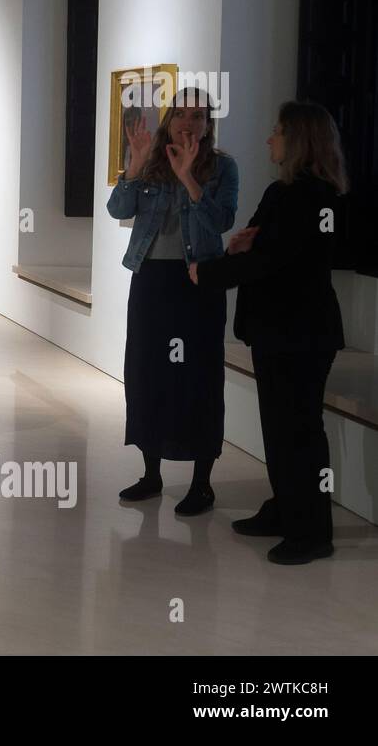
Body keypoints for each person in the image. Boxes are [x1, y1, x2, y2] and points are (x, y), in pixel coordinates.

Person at [192, 102, 348, 565]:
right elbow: (258, 242)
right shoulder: (286, 192)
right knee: (281, 430)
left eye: (277, 131)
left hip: (301, 332)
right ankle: (286, 509)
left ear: (297, 139)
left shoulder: (311, 196)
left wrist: (211, 271)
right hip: (280, 330)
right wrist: (242, 246)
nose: (269, 139)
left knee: (299, 432)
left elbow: (271, 259)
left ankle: (312, 530)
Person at [106, 87, 238, 515]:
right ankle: (151, 472)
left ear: (208, 125)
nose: (189, 122)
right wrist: (136, 165)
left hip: (198, 282)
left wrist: (189, 178)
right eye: (181, 113)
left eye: (198, 116)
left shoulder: (222, 167)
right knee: (146, 373)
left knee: (198, 378)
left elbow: (222, 220)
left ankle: (202, 483)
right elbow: (117, 208)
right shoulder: (152, 161)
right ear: (168, 119)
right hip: (151, 280)